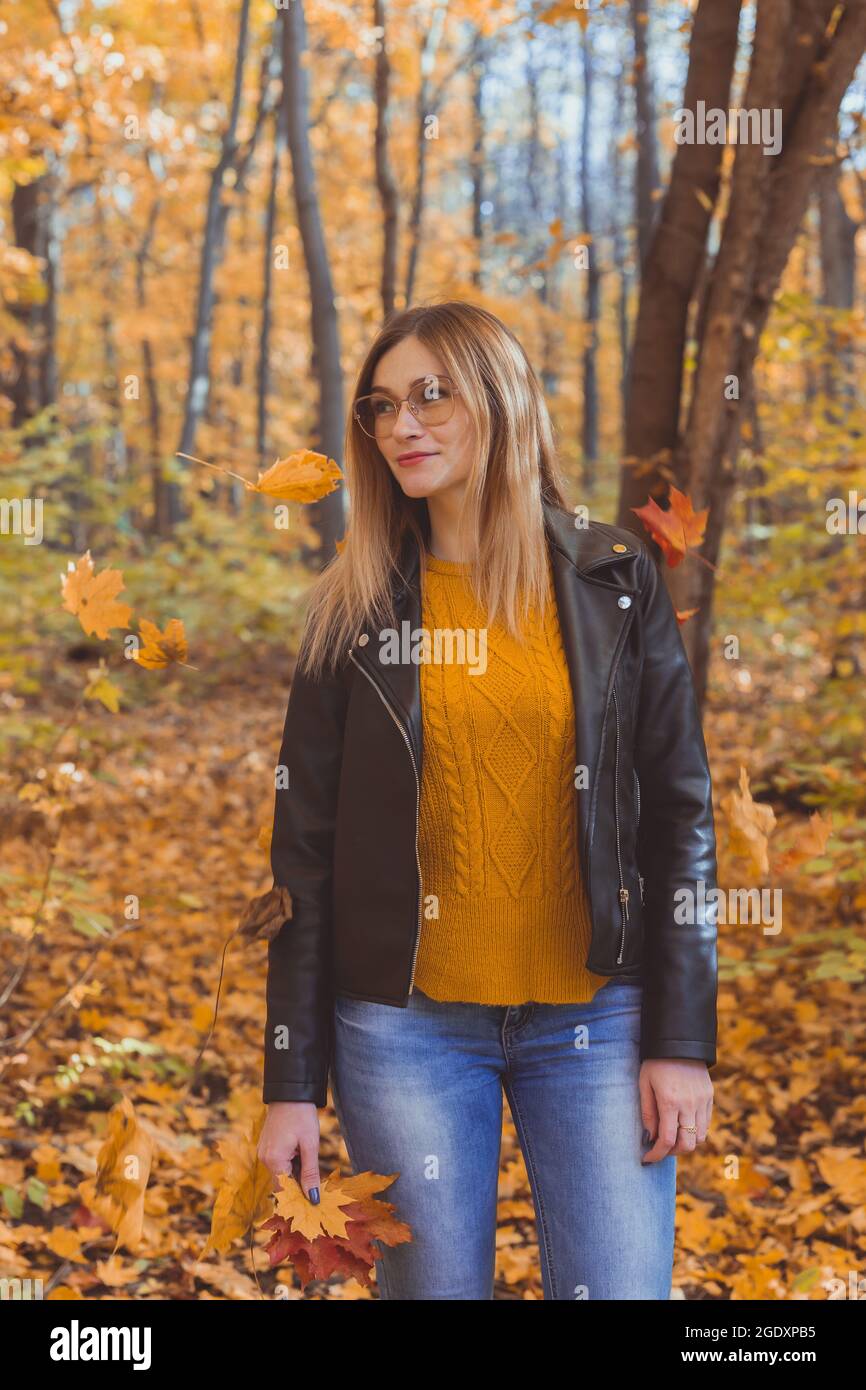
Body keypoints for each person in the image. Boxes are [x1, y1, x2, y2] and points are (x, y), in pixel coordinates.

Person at [257, 300, 718, 1300]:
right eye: (380, 406)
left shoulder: (612, 580)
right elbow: (304, 853)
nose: (400, 427)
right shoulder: (355, 610)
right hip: (404, 1031)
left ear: (500, 401)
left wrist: (682, 1040)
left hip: (595, 1020)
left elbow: (680, 814)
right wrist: (289, 1084)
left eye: (432, 395)